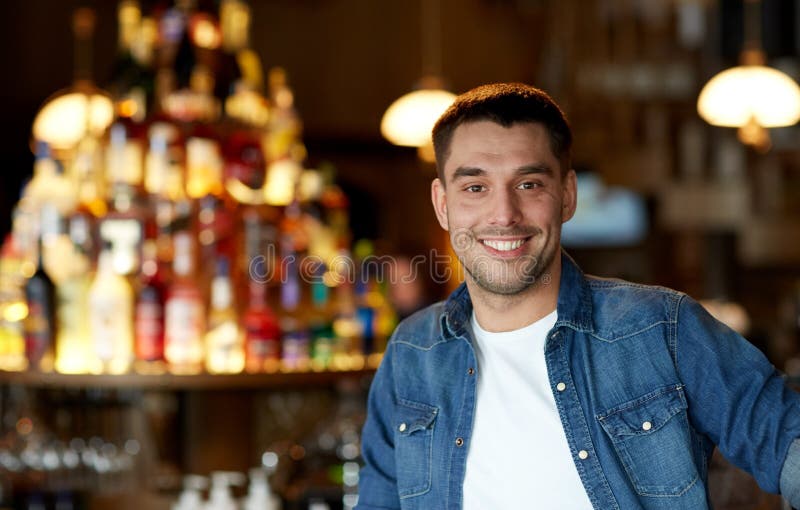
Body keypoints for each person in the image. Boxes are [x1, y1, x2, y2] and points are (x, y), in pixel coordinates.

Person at [355, 82, 800, 510]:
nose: (504, 214)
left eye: (529, 184)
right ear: (443, 204)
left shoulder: (663, 328)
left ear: (566, 196)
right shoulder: (411, 352)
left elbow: (787, 443)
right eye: (475, 187)